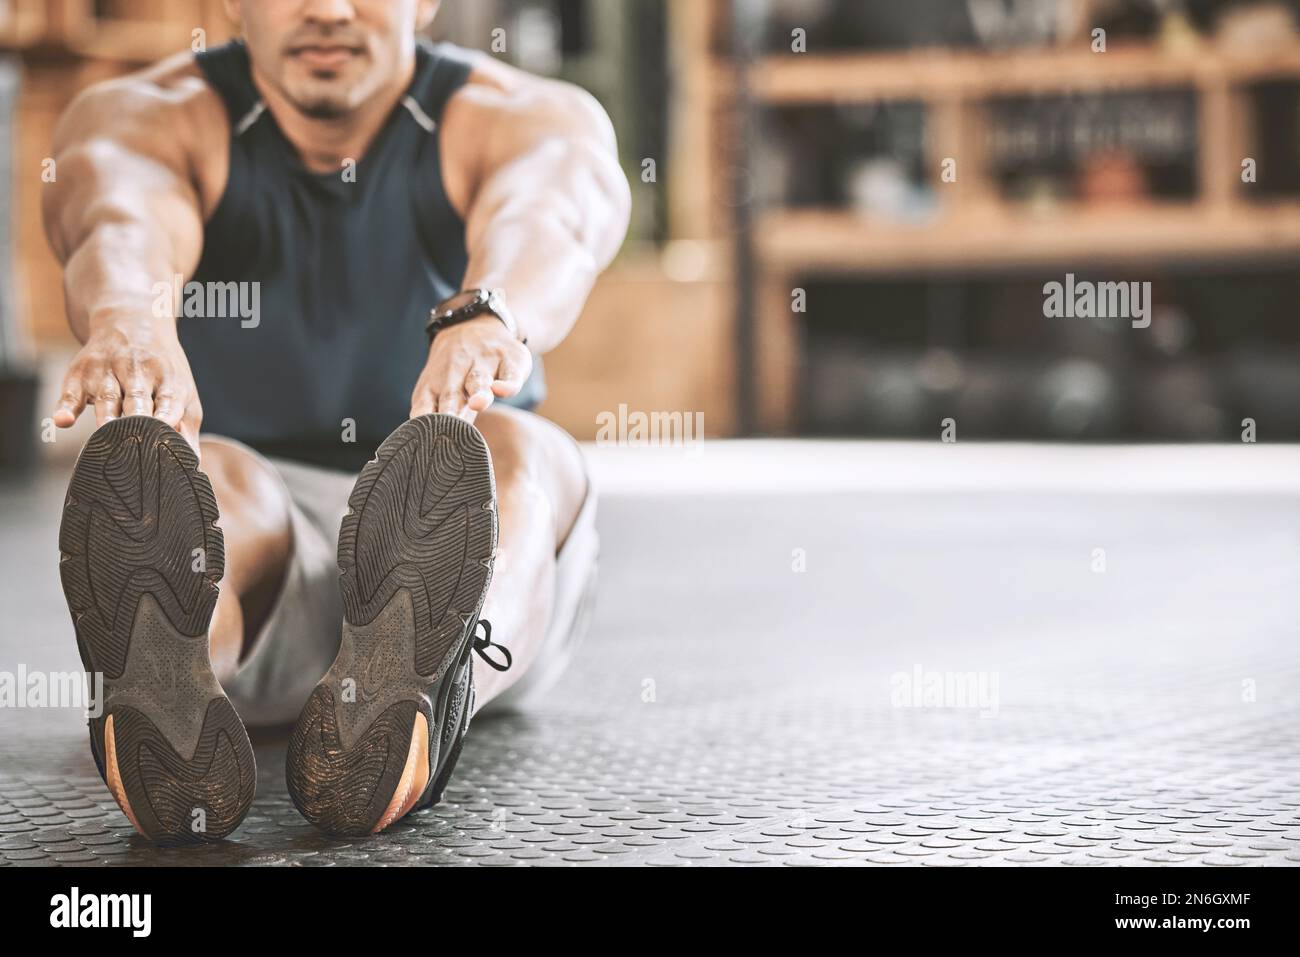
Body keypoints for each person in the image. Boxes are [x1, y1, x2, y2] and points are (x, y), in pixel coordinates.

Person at [44, 0, 629, 843]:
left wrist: (490, 313)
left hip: (487, 546)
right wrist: (129, 315)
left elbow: (550, 213)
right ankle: (165, 695)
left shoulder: (518, 116)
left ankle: (432, 679)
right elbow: (121, 215)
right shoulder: (147, 116)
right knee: (211, 479)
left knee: (517, 451)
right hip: (266, 555)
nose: (326, 9)